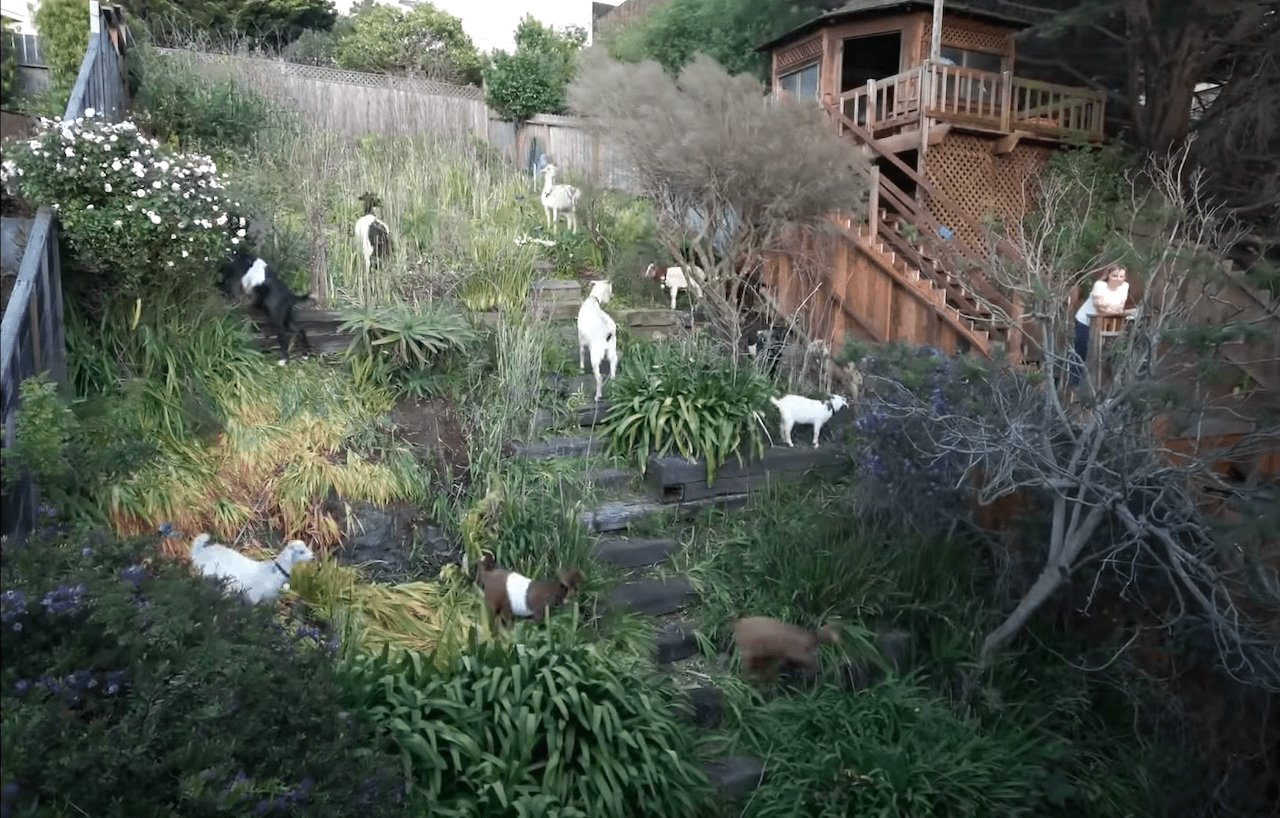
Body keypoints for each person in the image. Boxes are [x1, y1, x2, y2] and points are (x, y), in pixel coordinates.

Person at [1070, 264, 1131, 385]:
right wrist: (1112, 308)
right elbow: (1100, 307)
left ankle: (1101, 384)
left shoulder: (1125, 286)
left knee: (1105, 352)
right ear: (1108, 275)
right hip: (1085, 321)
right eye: (1114, 276)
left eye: (1121, 276)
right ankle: (1075, 384)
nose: (1118, 279)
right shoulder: (1100, 285)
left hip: (1106, 323)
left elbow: (1119, 307)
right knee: (1082, 351)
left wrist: (1109, 307)